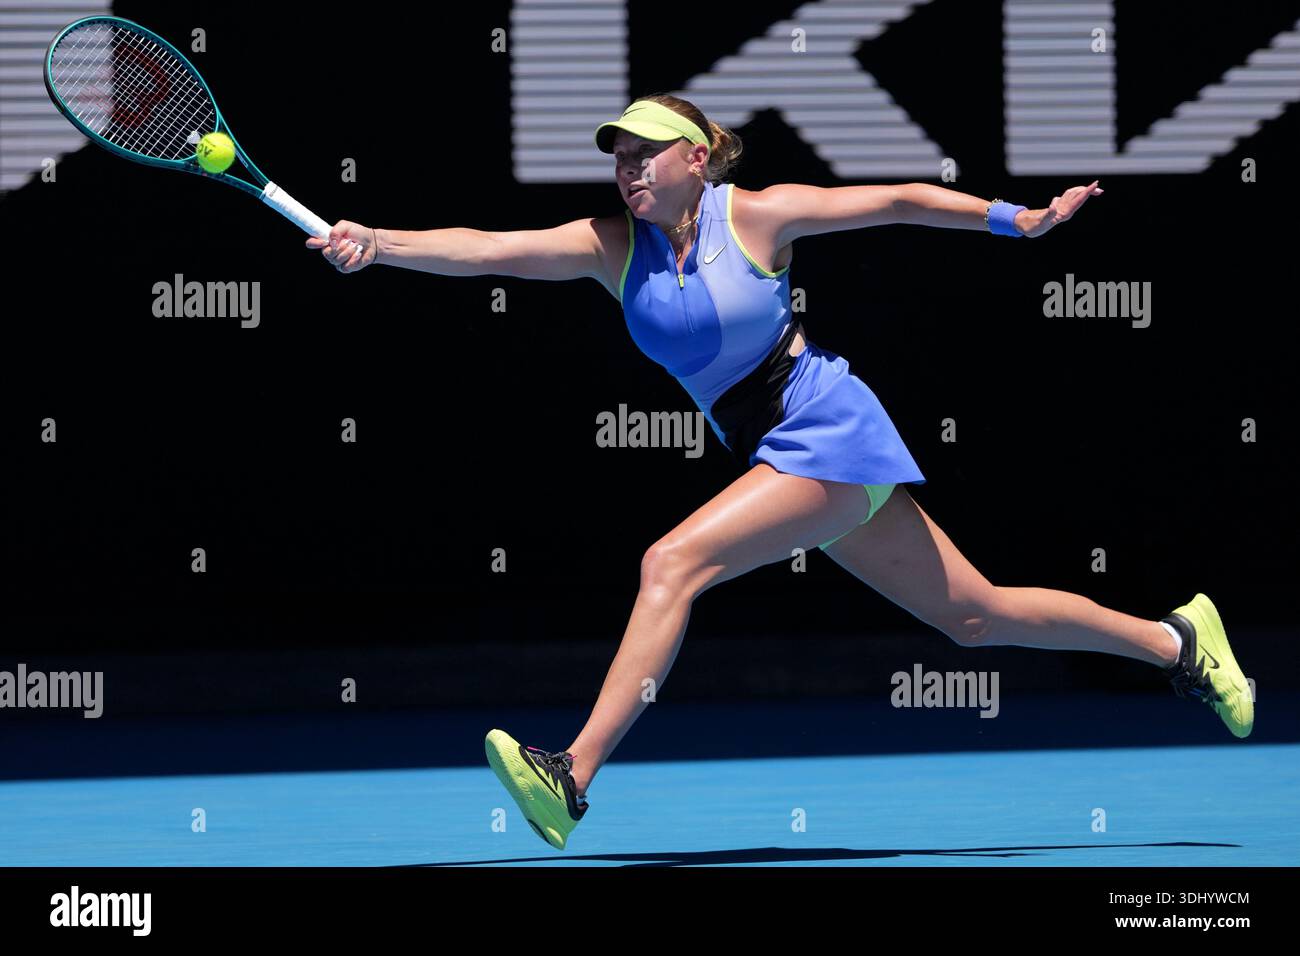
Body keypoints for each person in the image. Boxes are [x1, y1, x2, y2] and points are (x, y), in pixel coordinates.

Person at [306, 94, 1254, 851]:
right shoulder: (609, 248)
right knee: (974, 615)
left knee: (671, 563)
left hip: (824, 424)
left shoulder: (758, 217)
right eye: (617, 154)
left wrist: (1022, 220)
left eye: (645, 152)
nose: (627, 168)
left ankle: (573, 776)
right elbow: (486, 250)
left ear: (696, 157)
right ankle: (1179, 642)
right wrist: (377, 244)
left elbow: (902, 201)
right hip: (775, 448)